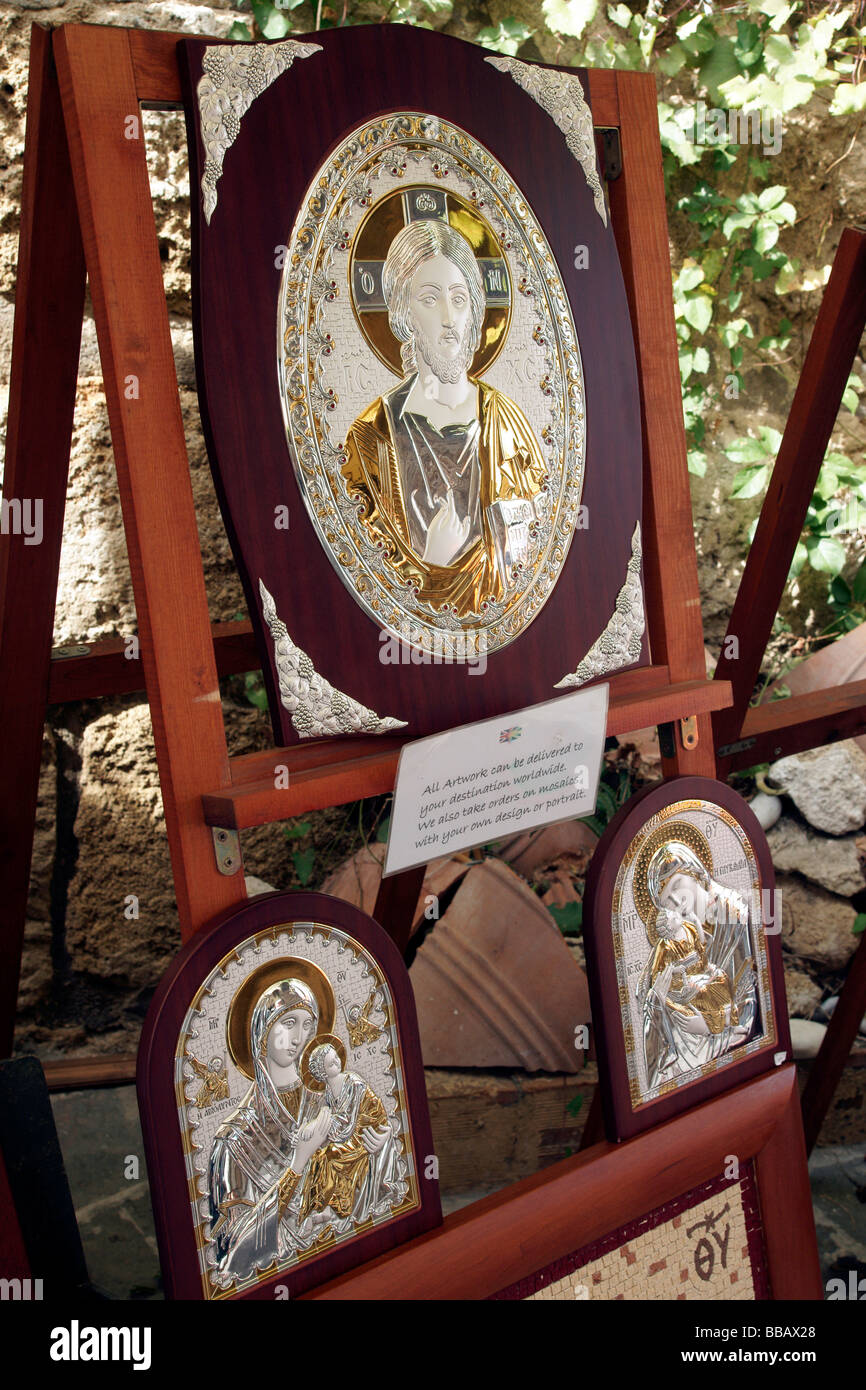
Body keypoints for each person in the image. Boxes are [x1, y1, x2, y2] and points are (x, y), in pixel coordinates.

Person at [343, 218, 547, 616]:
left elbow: (537, 551)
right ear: (403, 313)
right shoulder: (372, 438)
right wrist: (433, 562)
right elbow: (362, 573)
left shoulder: (507, 424)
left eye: (459, 298)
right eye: (430, 299)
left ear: (474, 310)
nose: (449, 319)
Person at [637, 842, 757, 1088]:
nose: (675, 902)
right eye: (666, 902)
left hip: (729, 1044)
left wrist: (710, 1025)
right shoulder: (674, 938)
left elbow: (748, 1007)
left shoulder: (734, 915)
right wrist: (658, 996)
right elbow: (652, 986)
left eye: (676, 887)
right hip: (693, 1018)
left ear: (696, 872)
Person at [296, 1040, 403, 1232]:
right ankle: (320, 1206)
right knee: (318, 1156)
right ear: (322, 1073)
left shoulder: (353, 1082)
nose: (336, 1063)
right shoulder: (329, 1092)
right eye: (330, 1064)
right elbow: (331, 1117)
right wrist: (313, 1127)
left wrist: (322, 1126)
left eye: (336, 1058)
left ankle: (340, 1208)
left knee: (332, 1155)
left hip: (366, 1129)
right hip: (348, 1133)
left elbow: (348, 1119)